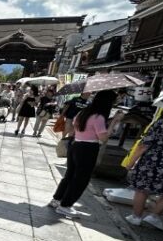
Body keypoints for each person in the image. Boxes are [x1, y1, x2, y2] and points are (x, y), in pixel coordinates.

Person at [50, 90, 122, 218]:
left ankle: (57, 199)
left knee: (70, 175)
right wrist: (115, 121)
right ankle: (65, 205)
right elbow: (103, 138)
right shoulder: (98, 117)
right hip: (88, 148)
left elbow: (74, 128)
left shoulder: (83, 112)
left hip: (75, 145)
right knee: (80, 179)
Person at [125, 109, 163, 231]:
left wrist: (130, 162)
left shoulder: (162, 123)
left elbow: (143, 145)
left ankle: (136, 217)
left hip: (151, 162)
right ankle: (154, 216)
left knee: (142, 189)